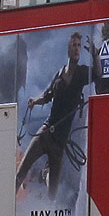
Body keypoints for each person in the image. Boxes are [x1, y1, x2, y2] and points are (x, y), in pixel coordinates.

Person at [16, 31, 98, 192]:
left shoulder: (82, 73)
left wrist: (95, 55)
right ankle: (8, 207)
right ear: (68, 48)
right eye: (74, 45)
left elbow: (98, 74)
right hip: (46, 132)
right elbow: (47, 96)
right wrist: (35, 101)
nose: (76, 49)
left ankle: (44, 178)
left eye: (78, 46)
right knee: (22, 170)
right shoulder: (60, 73)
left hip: (59, 142)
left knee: (53, 189)